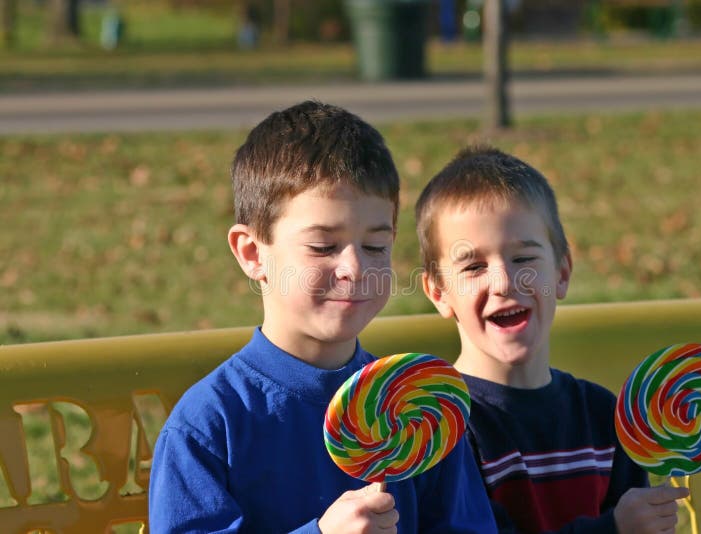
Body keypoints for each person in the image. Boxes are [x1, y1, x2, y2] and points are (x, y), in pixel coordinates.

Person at [148, 102, 498, 534]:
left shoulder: (418, 409)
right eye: (323, 247)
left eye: (375, 246)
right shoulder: (210, 425)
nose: (355, 268)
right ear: (253, 253)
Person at [415, 145, 689, 534]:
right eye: (474, 266)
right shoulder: (444, 429)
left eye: (524, 259)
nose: (504, 282)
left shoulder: (602, 416)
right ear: (439, 292)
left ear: (561, 273)